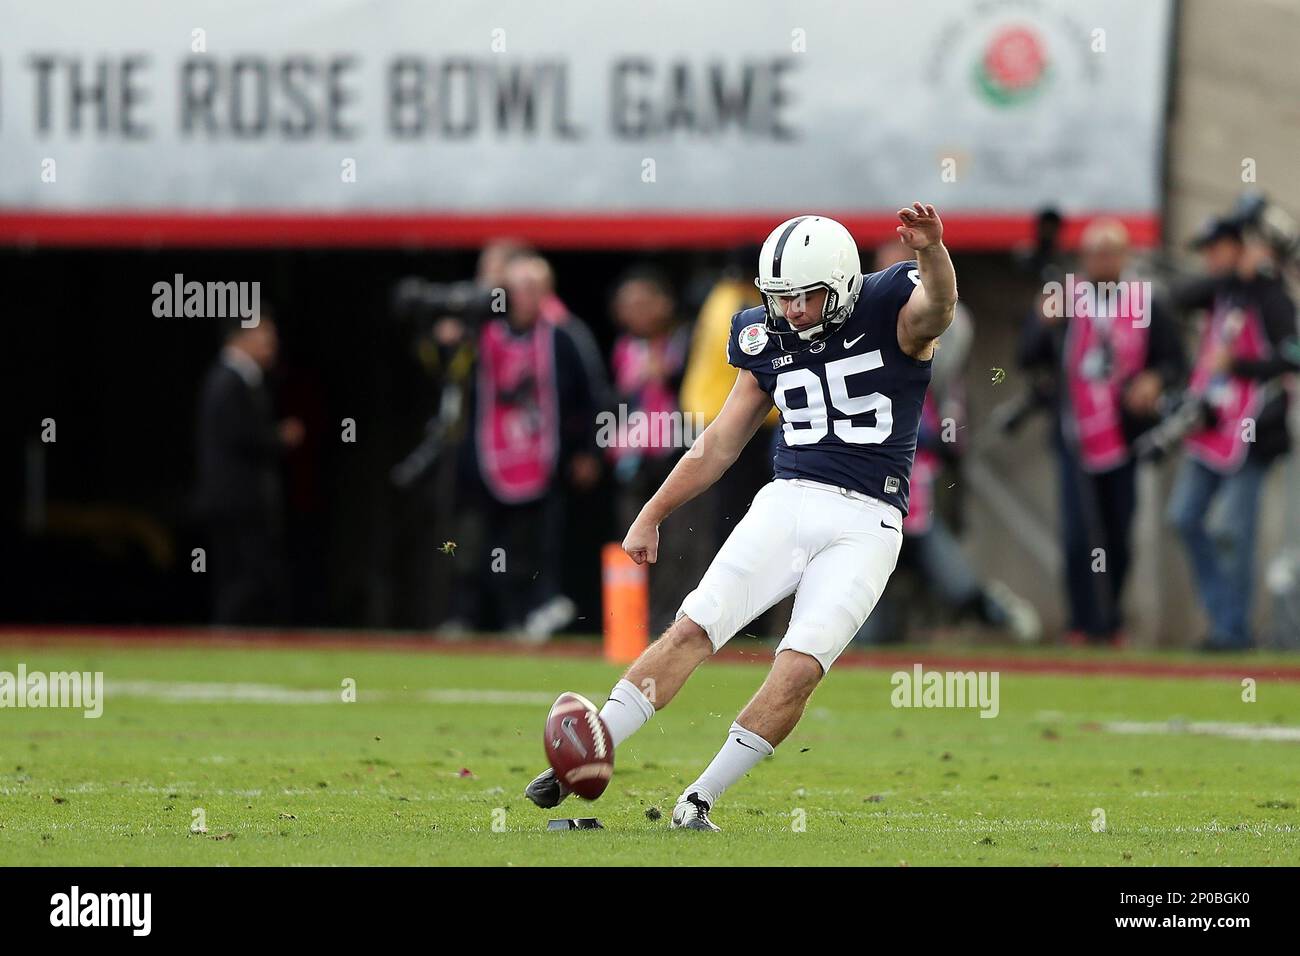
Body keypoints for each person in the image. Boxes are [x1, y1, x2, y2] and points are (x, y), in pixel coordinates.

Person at [525, 204, 957, 830]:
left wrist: (932, 251)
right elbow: (719, 444)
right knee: (691, 628)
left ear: (839, 282)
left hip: (868, 520)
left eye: (805, 297)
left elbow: (937, 309)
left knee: (801, 663)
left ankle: (698, 799)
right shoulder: (764, 333)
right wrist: (652, 512)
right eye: (780, 297)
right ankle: (595, 749)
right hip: (786, 499)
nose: (791, 312)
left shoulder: (890, 302)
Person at [857, 243, 1039, 643]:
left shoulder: (934, 324)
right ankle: (871, 635)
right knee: (868, 557)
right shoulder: (859, 323)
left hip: (920, 461)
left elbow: (937, 378)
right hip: (868, 460)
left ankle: (983, 609)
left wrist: (938, 439)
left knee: (924, 548)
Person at [1018, 219, 1185, 646]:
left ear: (1125, 256)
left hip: (1124, 436)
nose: (1102, 261)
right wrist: (1042, 323)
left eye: (1111, 251)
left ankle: (1111, 623)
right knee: (1077, 536)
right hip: (1076, 435)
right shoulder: (1065, 297)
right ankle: (1081, 623)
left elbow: (1174, 362)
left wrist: (1154, 380)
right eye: (1095, 252)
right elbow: (1026, 358)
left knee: (1118, 533)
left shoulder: (1146, 300)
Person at [444, 254, 604, 639]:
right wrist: (445, 343)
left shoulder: (565, 336)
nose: (524, 297)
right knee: (473, 542)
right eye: (517, 288)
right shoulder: (480, 333)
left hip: (544, 459)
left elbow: (593, 396)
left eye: (534, 289)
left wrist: (589, 451)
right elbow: (446, 379)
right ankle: (465, 617)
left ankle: (526, 616)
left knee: (533, 545)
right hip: (484, 458)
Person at [1167, 216, 1299, 650]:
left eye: (1215, 249)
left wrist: (1238, 366)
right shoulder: (1223, 290)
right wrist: (1235, 277)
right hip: (1210, 426)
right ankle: (1224, 616)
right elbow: (1178, 298)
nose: (1208, 258)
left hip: (1252, 430)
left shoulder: (1271, 295)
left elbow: (1292, 356)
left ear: (1238, 247)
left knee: (1233, 532)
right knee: (1184, 517)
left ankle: (1233, 632)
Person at [194, 312, 304, 625]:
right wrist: (278, 437)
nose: (273, 345)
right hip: (236, 500)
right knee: (246, 577)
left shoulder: (240, 379)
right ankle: (228, 637)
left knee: (247, 576)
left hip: (236, 499)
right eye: (265, 337)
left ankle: (236, 638)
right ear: (240, 337)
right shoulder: (228, 380)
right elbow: (236, 435)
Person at [606, 267, 694, 631]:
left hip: (677, 453)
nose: (634, 313)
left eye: (644, 303)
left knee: (678, 543)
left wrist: (668, 375)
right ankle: (630, 621)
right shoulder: (624, 348)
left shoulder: (683, 340)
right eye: (627, 305)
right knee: (633, 541)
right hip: (634, 459)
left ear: (664, 304)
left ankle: (671, 620)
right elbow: (616, 400)